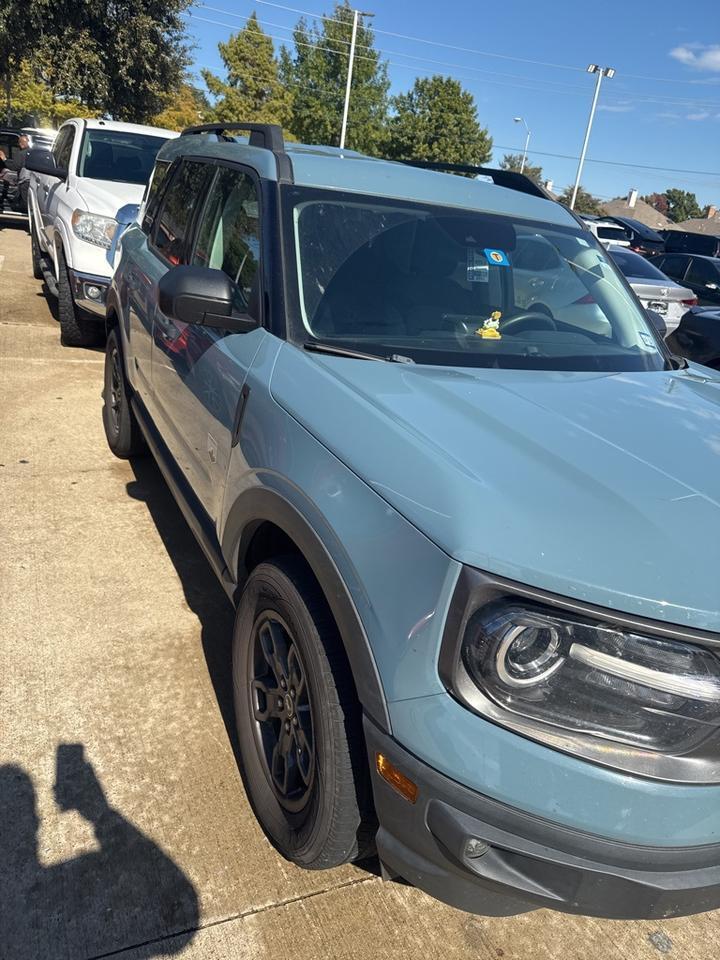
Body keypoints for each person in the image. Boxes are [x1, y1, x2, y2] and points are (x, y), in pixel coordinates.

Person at [0, 133, 31, 206]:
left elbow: (14, 167)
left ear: (20, 144)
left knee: (24, 201)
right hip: (31, 180)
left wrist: (4, 159)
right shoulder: (32, 152)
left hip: (24, 180)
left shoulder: (21, 154)